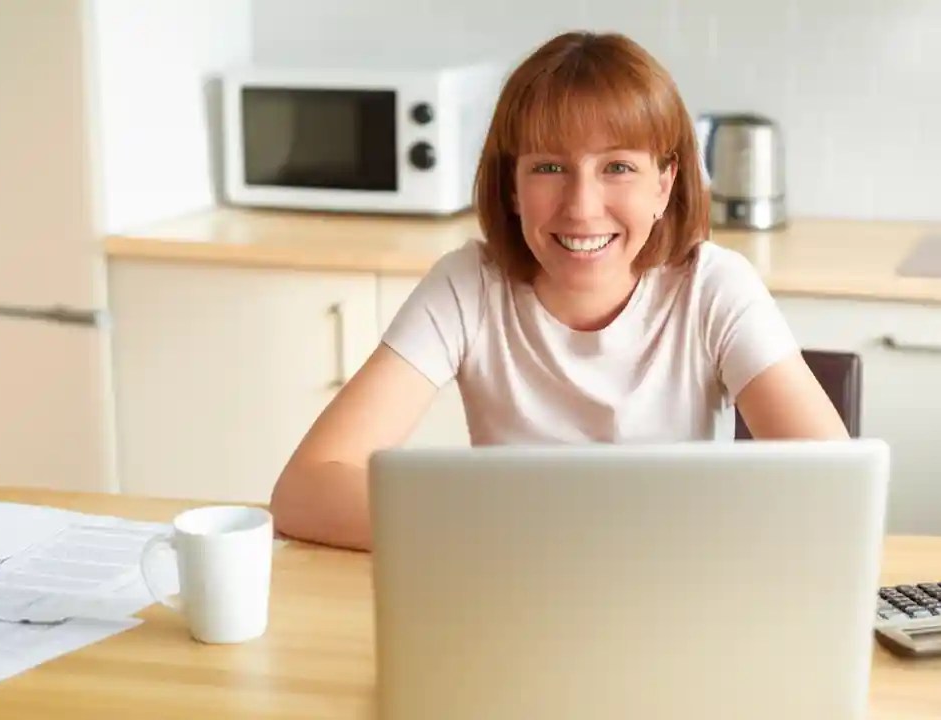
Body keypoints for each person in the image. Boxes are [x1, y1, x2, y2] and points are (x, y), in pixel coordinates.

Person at [270, 31, 848, 550]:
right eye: (549, 168)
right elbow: (305, 488)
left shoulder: (712, 287)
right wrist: (516, 534)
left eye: (617, 167)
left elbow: (834, 494)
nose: (581, 207)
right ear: (513, 187)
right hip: (513, 601)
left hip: (674, 599)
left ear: (665, 184)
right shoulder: (469, 286)